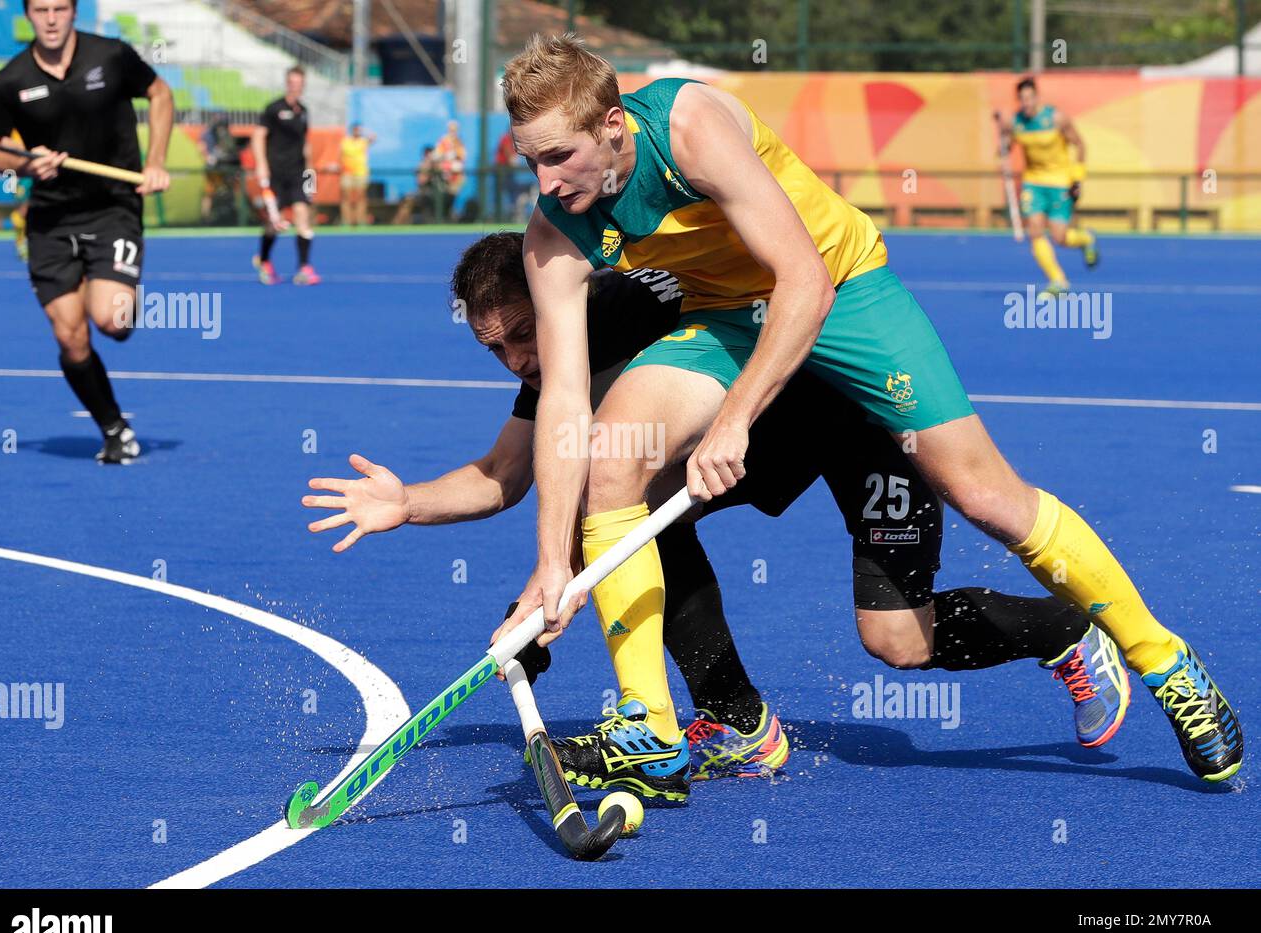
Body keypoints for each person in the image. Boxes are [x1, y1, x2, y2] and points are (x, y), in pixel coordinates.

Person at [492, 34, 1241, 791]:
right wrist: (554, 562)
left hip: (843, 291)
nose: (546, 182)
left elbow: (804, 281)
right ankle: (649, 730)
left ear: (614, 125)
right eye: (530, 162)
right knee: (615, 454)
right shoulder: (554, 231)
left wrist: (734, 419)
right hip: (724, 316)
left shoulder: (690, 130)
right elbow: (562, 397)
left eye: (558, 156)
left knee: (987, 495)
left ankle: (1164, 662)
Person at [302, 232, 1130, 796]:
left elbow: (603, 476)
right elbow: (505, 474)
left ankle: (1062, 629)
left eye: (523, 331)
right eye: (495, 348)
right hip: (743, 446)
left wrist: (545, 588)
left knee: (897, 642)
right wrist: (407, 503)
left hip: (856, 424)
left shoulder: (638, 308)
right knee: (642, 512)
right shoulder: (554, 358)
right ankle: (737, 718)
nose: (517, 357)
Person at [0, 0, 172, 464]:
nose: (50, 18)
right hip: (50, 218)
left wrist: (156, 161)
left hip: (113, 207)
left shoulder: (111, 55)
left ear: (74, 12)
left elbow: (160, 95)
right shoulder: (11, 79)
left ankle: (109, 286)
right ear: (28, 14)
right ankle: (114, 429)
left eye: (59, 8)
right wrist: (21, 163)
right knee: (70, 336)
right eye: (40, 9)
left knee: (113, 321)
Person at [994, 77, 1098, 295]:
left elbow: (1080, 145)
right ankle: (1059, 281)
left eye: (1030, 98)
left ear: (1037, 97)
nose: (1027, 103)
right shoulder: (1016, 123)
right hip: (1033, 183)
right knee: (1035, 231)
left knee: (1060, 237)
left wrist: (1077, 178)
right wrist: (1002, 141)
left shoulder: (1056, 118)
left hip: (1060, 183)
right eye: (1022, 99)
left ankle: (1085, 238)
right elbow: (1006, 147)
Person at [251, 65, 319, 285]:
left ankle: (304, 267)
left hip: (298, 173)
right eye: (292, 83)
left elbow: (306, 144)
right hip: (276, 174)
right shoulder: (273, 109)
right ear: (287, 83)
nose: (295, 88)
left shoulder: (304, 111)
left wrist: (311, 176)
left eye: (299, 84)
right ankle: (265, 260)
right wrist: (261, 165)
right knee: (274, 223)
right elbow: (258, 137)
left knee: (302, 215)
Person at [338, 122, 374, 227]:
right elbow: (340, 155)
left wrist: (365, 131)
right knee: (346, 197)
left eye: (359, 130)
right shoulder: (345, 141)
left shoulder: (363, 141)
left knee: (361, 197)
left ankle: (361, 220)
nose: (358, 131)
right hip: (347, 172)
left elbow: (374, 137)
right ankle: (346, 221)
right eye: (356, 129)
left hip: (361, 172)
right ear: (352, 130)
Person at [432, 119, 466, 219]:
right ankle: (441, 216)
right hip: (444, 174)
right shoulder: (443, 141)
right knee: (443, 197)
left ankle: (448, 215)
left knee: (452, 197)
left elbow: (462, 157)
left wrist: (455, 156)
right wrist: (445, 156)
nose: (453, 131)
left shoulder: (458, 142)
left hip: (455, 176)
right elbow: (436, 155)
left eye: (455, 129)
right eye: (451, 129)